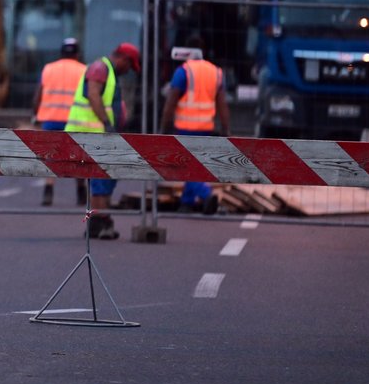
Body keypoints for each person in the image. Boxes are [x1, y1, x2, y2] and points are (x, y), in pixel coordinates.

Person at [64, 42, 141, 240]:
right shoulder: (100, 68)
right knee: (100, 181)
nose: (128, 70)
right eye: (129, 65)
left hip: (97, 135)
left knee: (103, 180)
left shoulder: (108, 72)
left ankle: (99, 222)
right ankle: (101, 222)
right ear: (123, 59)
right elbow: (93, 94)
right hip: (91, 133)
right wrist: (106, 122)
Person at [159, 34, 230, 215]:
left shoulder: (183, 71)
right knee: (195, 166)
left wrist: (164, 127)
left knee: (187, 167)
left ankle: (206, 194)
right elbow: (222, 104)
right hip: (206, 128)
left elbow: (170, 103)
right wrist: (226, 129)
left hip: (185, 128)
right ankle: (187, 202)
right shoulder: (216, 72)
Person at [30, 37, 87, 206]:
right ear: (77, 53)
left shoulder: (49, 69)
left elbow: (38, 95)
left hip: (50, 118)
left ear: (61, 52)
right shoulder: (84, 70)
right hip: (75, 120)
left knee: (51, 156)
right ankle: (81, 191)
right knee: (77, 156)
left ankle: (48, 190)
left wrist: (35, 114)